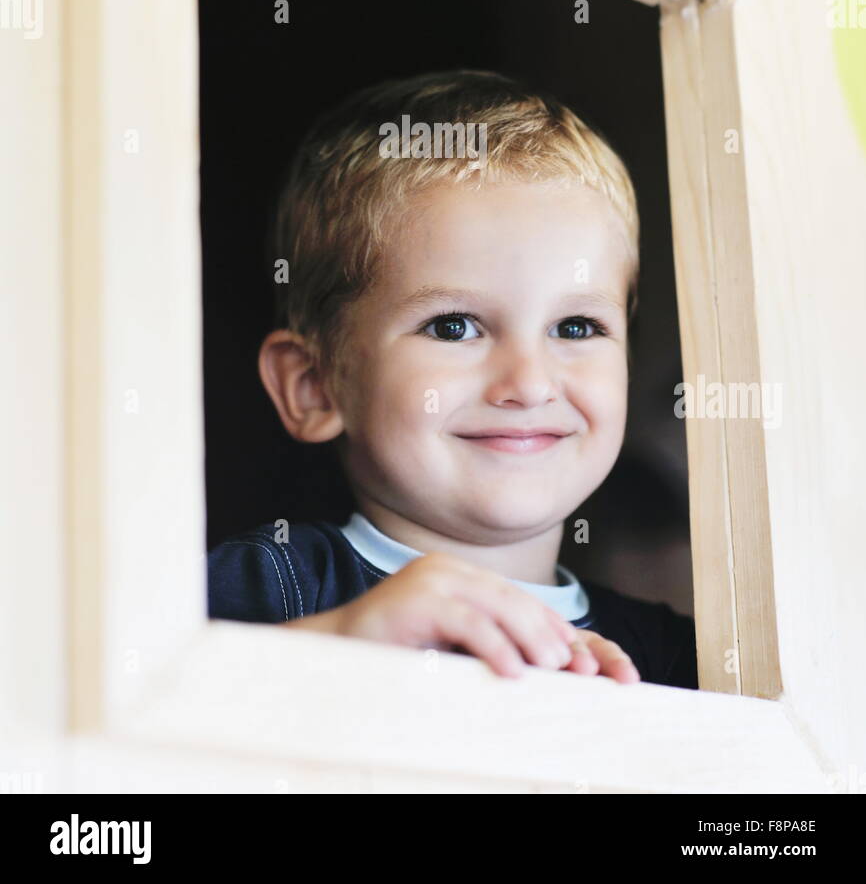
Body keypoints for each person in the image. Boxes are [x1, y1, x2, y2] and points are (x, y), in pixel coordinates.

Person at [207, 70, 698, 689]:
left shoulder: (673, 656)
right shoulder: (275, 585)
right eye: (453, 327)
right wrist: (339, 643)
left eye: (574, 327)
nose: (528, 383)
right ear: (315, 385)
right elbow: (115, 701)